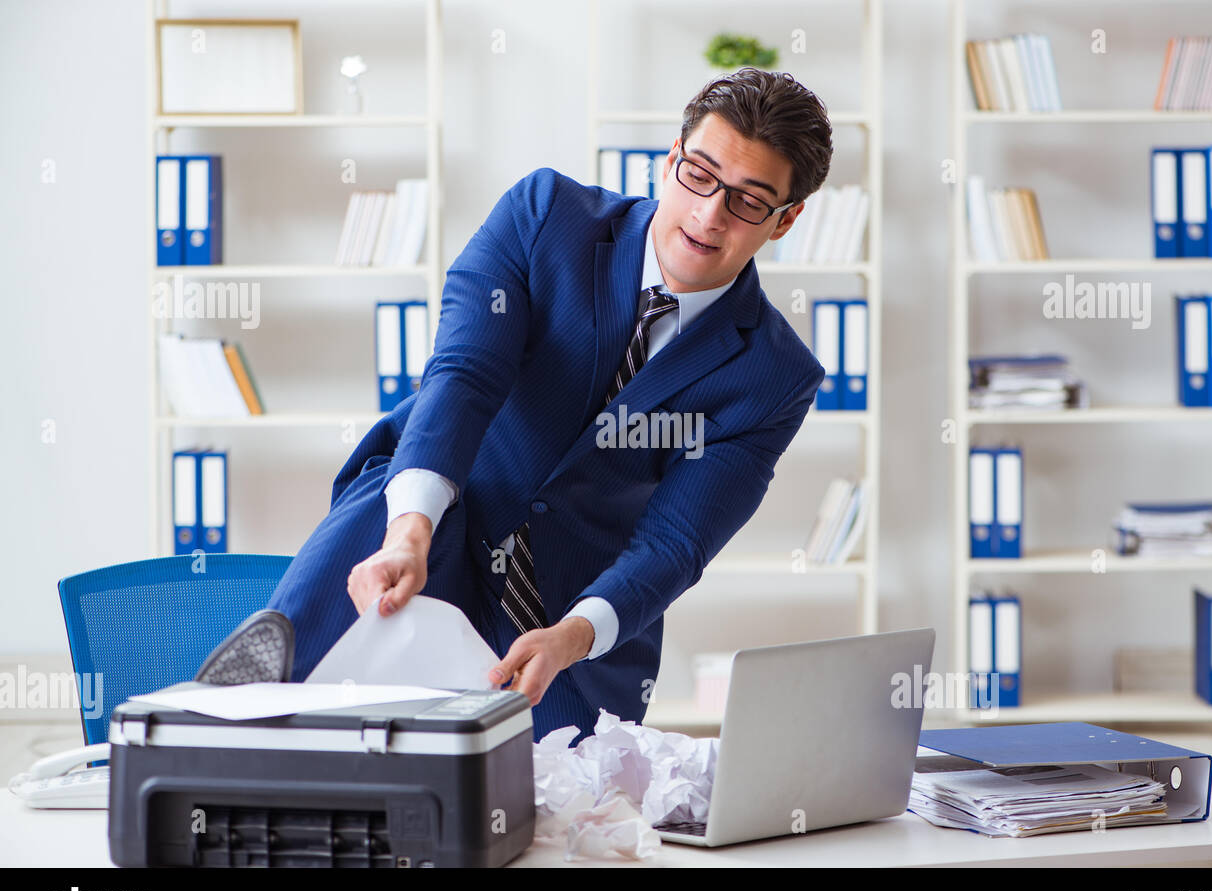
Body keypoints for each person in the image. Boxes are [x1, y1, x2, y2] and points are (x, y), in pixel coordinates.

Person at [195, 68, 834, 742]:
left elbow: (677, 541)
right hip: (440, 527)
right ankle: (242, 711)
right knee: (296, 716)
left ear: (785, 220)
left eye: (747, 202)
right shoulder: (545, 217)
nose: (708, 214)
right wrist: (408, 532)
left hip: (570, 616)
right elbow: (465, 375)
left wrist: (574, 633)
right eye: (698, 175)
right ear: (670, 161)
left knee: (551, 810)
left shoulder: (774, 375)